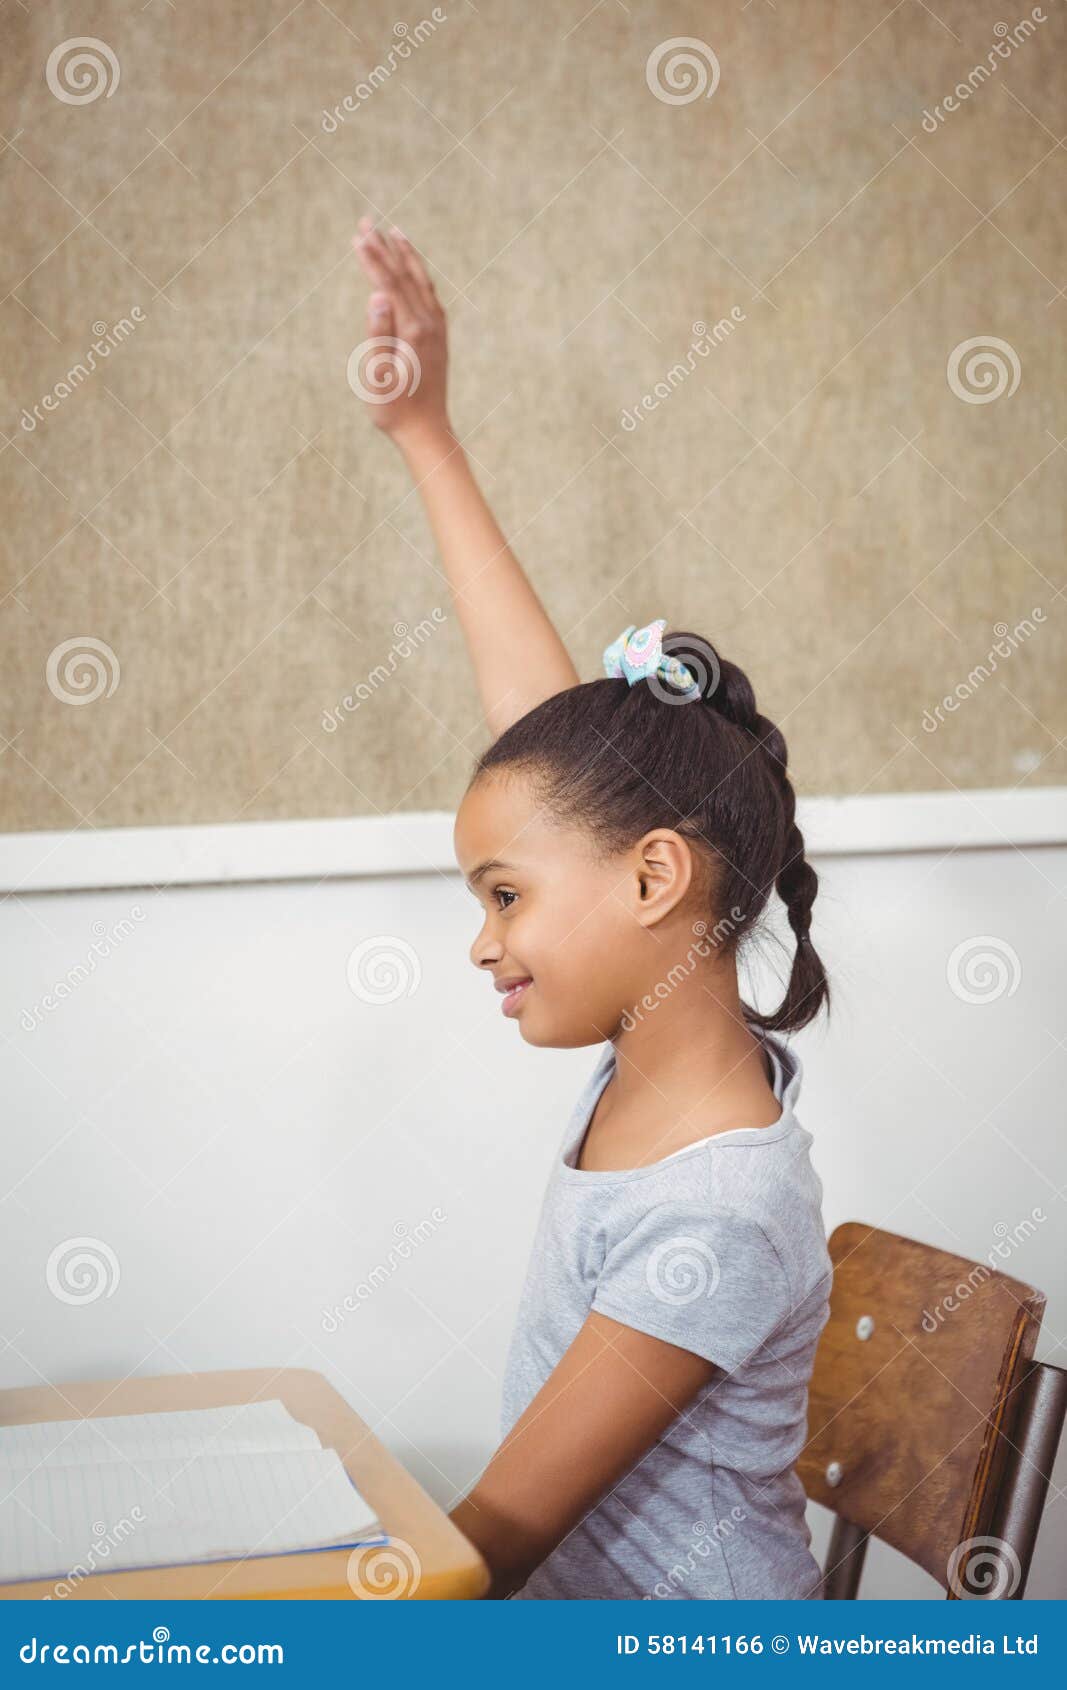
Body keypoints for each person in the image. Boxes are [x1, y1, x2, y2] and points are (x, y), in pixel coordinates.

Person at [351, 218, 834, 1601]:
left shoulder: (722, 1208)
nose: (483, 938)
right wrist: (426, 436)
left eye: (503, 897)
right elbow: (553, 761)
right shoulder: (663, 1049)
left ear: (654, 879)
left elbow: (488, 1544)